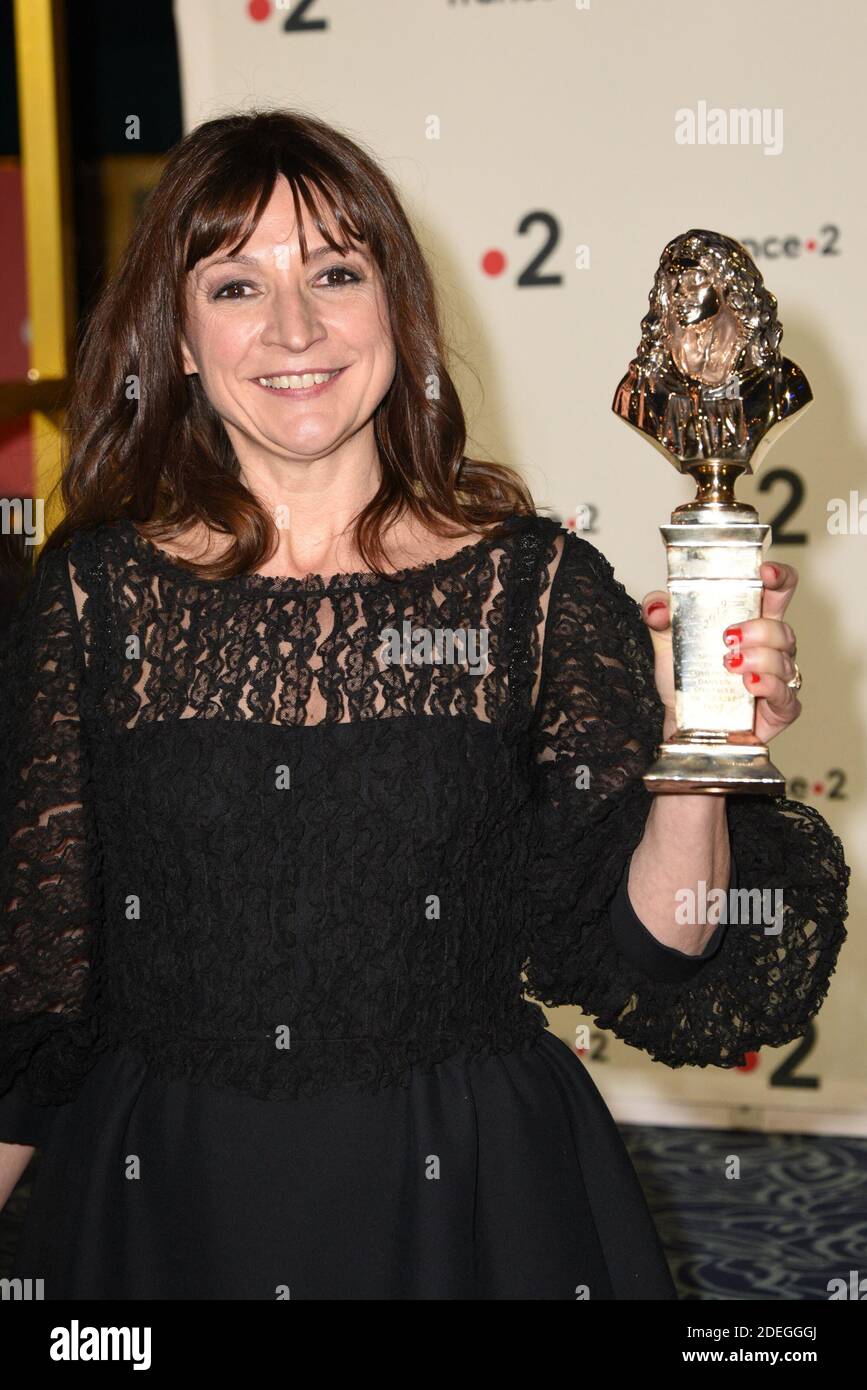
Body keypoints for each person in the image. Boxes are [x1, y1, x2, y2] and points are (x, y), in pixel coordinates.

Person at [0, 109, 850, 1301]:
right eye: (238, 284)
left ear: (395, 308)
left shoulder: (532, 585)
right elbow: (39, 998)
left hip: (470, 1209)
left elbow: (655, 948)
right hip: (167, 1204)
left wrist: (700, 749)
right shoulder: (92, 595)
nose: (294, 328)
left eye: (336, 273)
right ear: (180, 340)